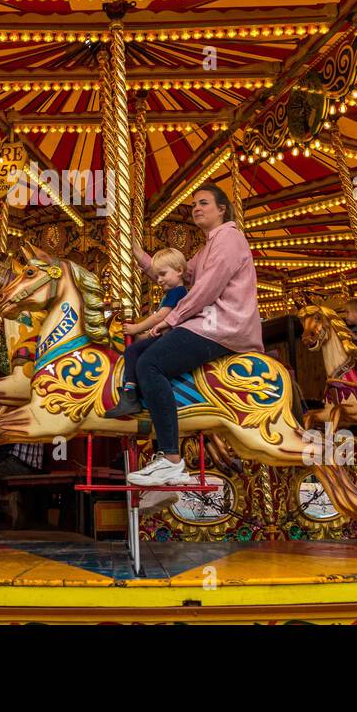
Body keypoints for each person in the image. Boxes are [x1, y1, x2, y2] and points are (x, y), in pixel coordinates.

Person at [117, 185, 263, 488]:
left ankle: (170, 458)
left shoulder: (229, 239)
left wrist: (170, 319)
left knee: (150, 363)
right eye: (194, 204)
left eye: (204, 203)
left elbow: (205, 289)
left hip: (221, 327)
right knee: (142, 354)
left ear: (222, 209)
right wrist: (138, 255)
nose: (196, 208)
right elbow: (177, 274)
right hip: (208, 324)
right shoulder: (207, 247)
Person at [107, 247, 189, 416]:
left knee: (132, 351)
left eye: (163, 274)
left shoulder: (178, 292)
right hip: (168, 335)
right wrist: (143, 336)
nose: (159, 280)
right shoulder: (173, 293)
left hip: (172, 338)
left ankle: (130, 394)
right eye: (157, 276)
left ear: (179, 271)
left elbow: (160, 317)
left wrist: (136, 328)